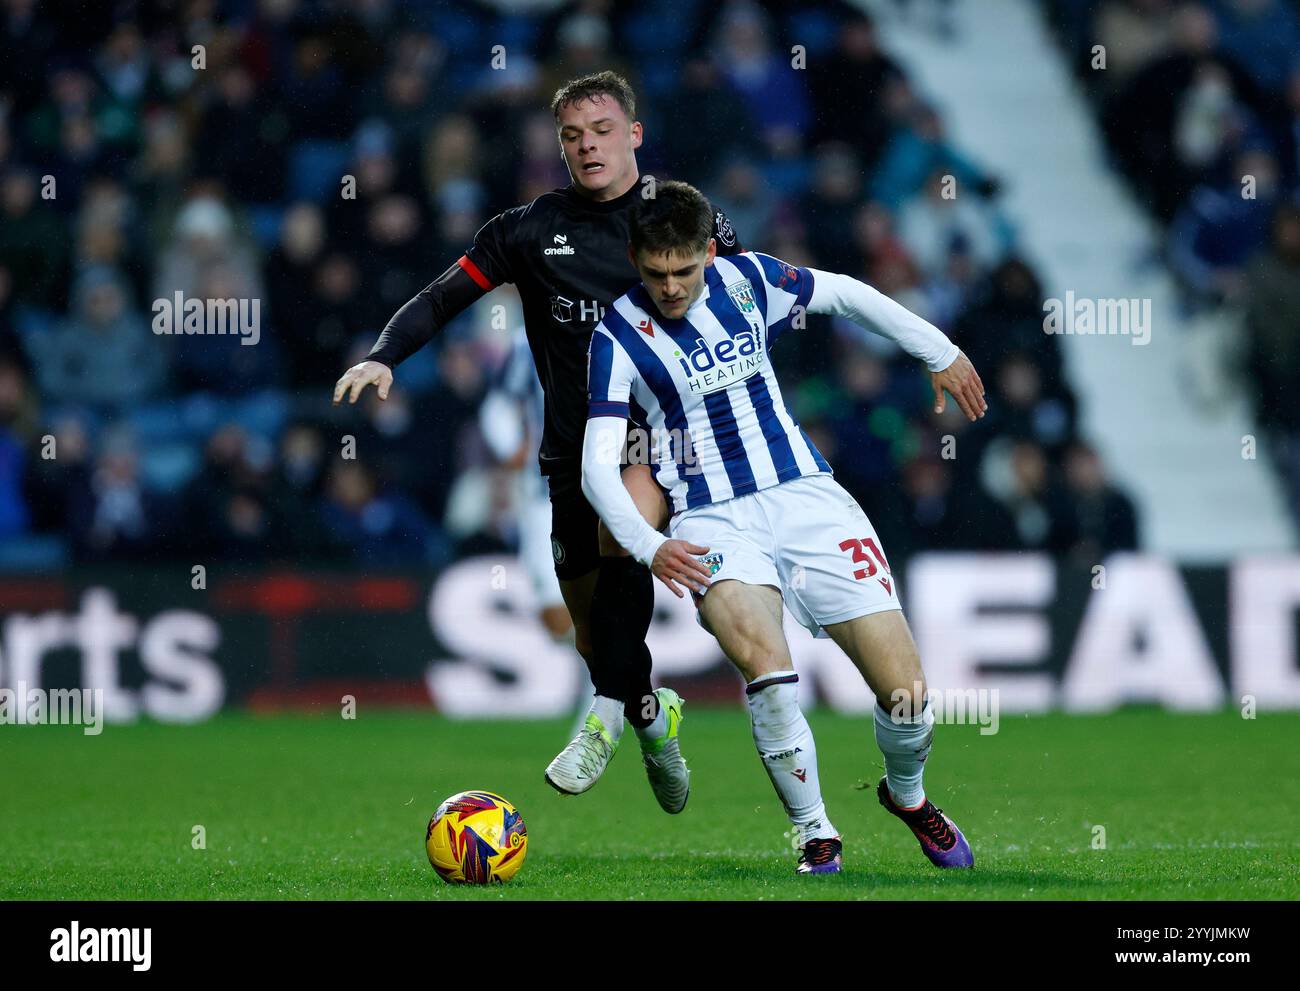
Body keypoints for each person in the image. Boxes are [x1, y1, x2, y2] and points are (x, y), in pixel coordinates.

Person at [333, 72, 746, 812]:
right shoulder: (528, 229)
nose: (587, 146)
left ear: (634, 135)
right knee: (593, 632)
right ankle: (651, 712)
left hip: (662, 441)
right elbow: (442, 296)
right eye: (572, 135)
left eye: (602, 130)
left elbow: (745, 306)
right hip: (567, 454)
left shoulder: (681, 216)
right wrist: (382, 354)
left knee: (625, 534)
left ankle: (604, 719)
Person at [581, 181, 983, 873]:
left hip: (808, 500)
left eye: (684, 269)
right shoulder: (615, 334)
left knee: (907, 695)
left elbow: (849, 293)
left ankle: (908, 795)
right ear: (634, 258)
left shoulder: (749, 279)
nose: (671, 286)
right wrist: (652, 545)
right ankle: (814, 829)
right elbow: (596, 466)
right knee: (768, 670)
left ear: (709, 250)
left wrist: (937, 349)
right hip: (710, 519)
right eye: (656, 273)